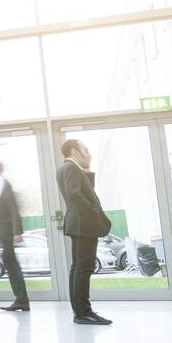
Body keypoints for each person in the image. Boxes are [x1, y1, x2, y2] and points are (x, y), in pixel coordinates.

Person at [57, 139, 113, 326]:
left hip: (79, 223)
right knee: (84, 268)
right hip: (83, 223)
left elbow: (85, 191)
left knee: (78, 268)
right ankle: (83, 312)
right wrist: (93, 209)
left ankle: (80, 311)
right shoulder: (71, 169)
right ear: (75, 152)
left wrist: (87, 169)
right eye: (85, 150)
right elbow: (74, 194)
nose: (88, 153)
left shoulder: (68, 168)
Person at [0, 162, 29, 312]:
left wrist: (16, 232)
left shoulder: (5, 185)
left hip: (8, 232)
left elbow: (13, 208)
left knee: (10, 262)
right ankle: (21, 299)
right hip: (5, 233)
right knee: (10, 262)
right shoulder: (1, 186)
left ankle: (21, 299)